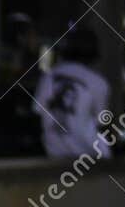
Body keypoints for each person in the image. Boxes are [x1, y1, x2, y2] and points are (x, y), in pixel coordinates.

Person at [35, 27, 112, 161]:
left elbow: (38, 112)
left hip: (53, 151)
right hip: (91, 154)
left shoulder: (48, 77)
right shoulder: (98, 82)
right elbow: (102, 122)